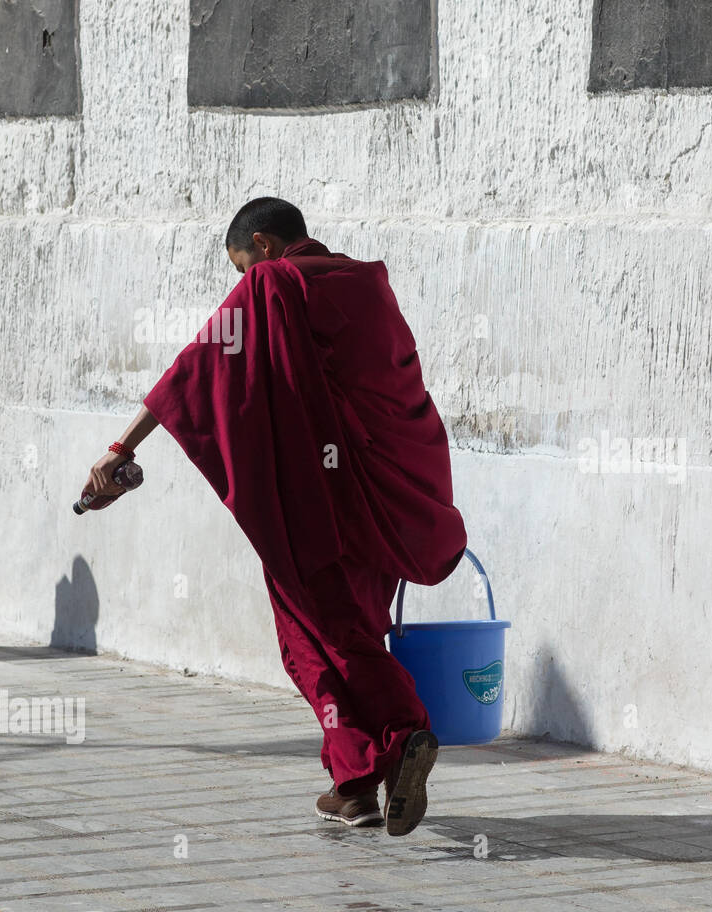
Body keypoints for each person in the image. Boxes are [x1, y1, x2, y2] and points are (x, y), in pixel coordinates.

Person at [82, 197, 467, 835]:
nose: (242, 286)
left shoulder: (273, 283)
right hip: (385, 498)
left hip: (317, 504)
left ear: (262, 245)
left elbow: (193, 370)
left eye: (240, 268)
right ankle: (354, 787)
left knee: (321, 641)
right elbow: (399, 395)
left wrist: (122, 448)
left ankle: (406, 735)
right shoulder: (368, 285)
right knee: (347, 632)